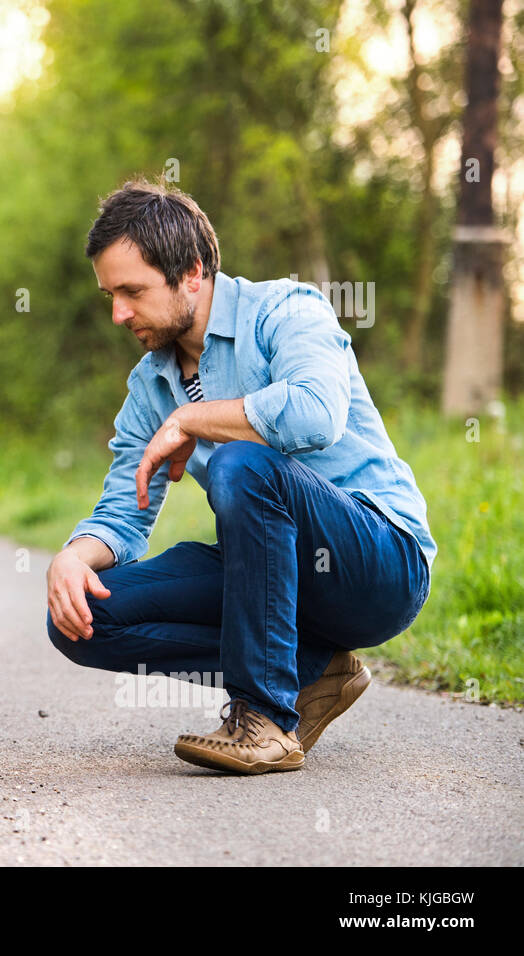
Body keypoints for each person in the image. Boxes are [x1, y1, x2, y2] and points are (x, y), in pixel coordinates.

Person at [45, 181, 435, 774]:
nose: (119, 313)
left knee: (240, 463)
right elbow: (125, 512)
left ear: (192, 273)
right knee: (80, 619)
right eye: (110, 295)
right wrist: (74, 555)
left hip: (377, 565)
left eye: (132, 291)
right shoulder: (150, 384)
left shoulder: (287, 310)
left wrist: (194, 419)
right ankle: (312, 668)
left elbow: (316, 413)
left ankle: (265, 719)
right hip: (267, 583)